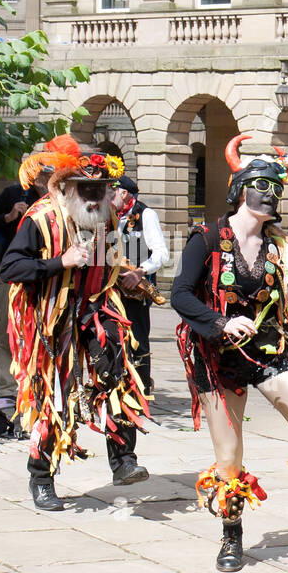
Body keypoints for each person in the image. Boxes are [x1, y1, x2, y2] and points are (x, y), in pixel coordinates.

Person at [171, 135, 288, 573]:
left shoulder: (276, 245)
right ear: (240, 189)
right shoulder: (206, 239)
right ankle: (232, 536)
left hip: (269, 352)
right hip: (218, 357)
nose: (272, 196)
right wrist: (220, 321)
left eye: (277, 189)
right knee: (229, 456)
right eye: (262, 186)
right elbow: (179, 295)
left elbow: (283, 296)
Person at [0, 148, 150, 509]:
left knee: (118, 376)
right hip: (52, 318)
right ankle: (42, 479)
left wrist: (127, 274)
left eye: (102, 189)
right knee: (55, 394)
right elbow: (10, 268)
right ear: (66, 187)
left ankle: (124, 461)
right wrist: (58, 262)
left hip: (96, 309)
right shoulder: (40, 219)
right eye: (87, 189)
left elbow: (109, 257)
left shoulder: (105, 217)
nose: (96, 197)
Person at [0, 137, 69, 398]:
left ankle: (38, 383)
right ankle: (6, 387)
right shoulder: (13, 193)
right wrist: (8, 216)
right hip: (12, 273)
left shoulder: (60, 200)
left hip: (48, 273)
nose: (49, 178)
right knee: (7, 328)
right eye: (47, 173)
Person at [109, 174, 169, 484]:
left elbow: (161, 253)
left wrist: (141, 270)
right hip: (108, 297)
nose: (111, 194)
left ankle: (140, 383)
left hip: (134, 296)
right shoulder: (103, 215)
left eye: (115, 190)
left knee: (135, 353)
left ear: (128, 193)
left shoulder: (144, 214)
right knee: (112, 361)